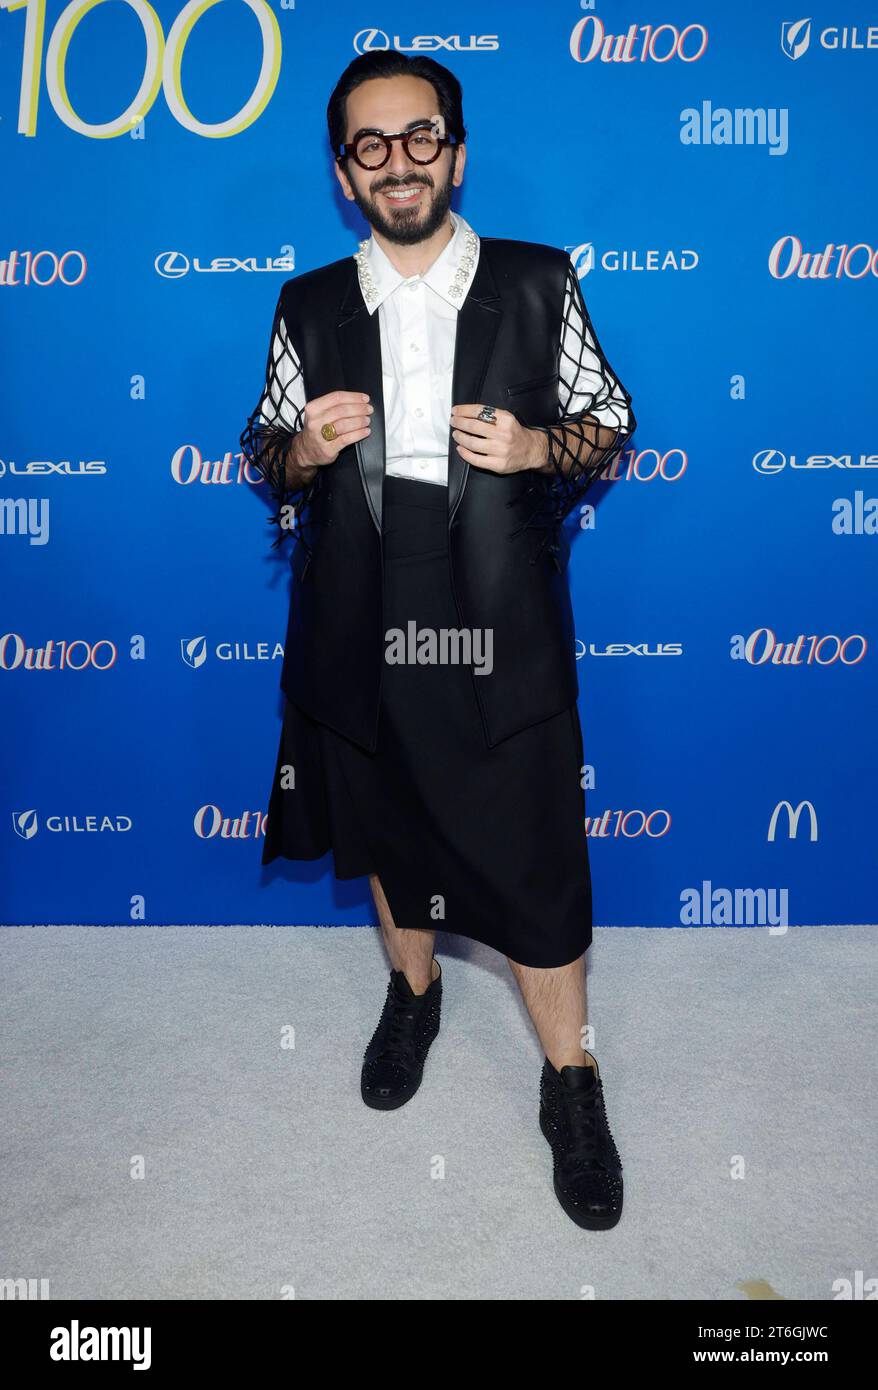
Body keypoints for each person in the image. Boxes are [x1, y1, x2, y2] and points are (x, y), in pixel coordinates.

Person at [240, 50, 636, 1231]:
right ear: (342, 171)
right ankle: (411, 995)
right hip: (358, 599)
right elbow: (264, 451)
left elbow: (607, 419)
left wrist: (531, 451)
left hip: (495, 603)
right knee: (384, 816)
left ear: (454, 154)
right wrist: (303, 448)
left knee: (529, 849)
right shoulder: (307, 305)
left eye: (420, 138)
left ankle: (571, 1077)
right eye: (371, 144)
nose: (398, 162)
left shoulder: (533, 280)